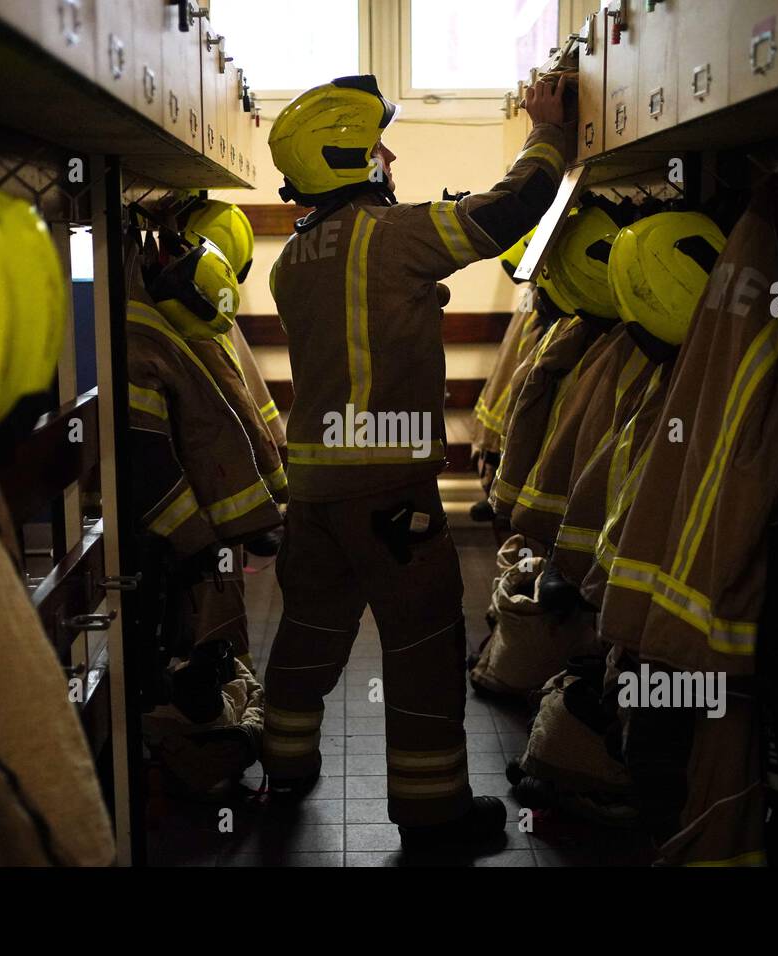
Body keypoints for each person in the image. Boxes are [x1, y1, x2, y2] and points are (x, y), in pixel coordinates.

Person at [261, 72, 573, 846]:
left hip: (315, 493)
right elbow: (506, 212)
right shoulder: (392, 235)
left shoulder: (290, 261)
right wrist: (549, 132)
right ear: (348, 158)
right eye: (375, 145)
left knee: (309, 627)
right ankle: (434, 815)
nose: (389, 153)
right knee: (424, 643)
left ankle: (284, 761)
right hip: (388, 490)